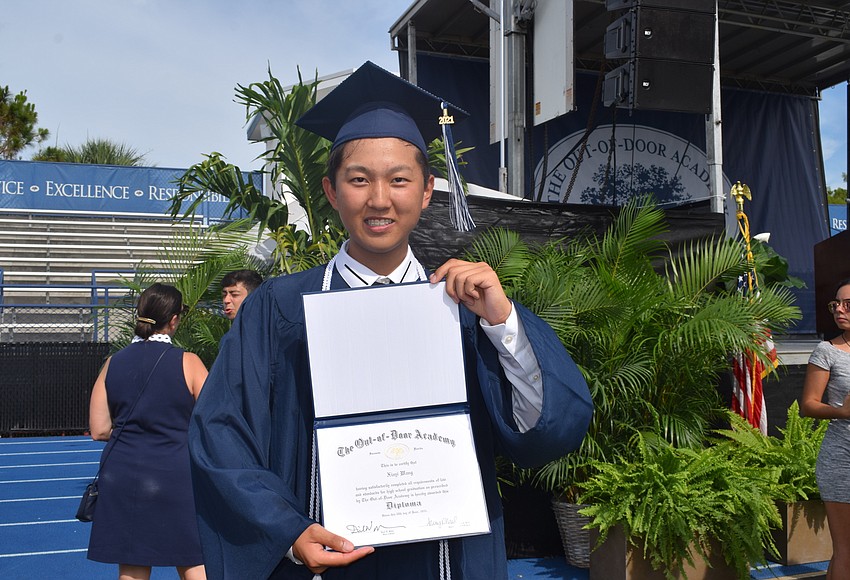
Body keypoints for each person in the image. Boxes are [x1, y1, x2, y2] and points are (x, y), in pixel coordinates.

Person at [188, 61, 593, 580]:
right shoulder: (279, 309)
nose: (380, 199)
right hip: (323, 561)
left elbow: (548, 430)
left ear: (426, 192)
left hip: (445, 561)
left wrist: (502, 321)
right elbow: (220, 432)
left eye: (399, 180)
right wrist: (286, 530)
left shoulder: (464, 308)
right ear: (332, 192)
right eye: (359, 180)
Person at [88, 283, 208, 580]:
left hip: (122, 474)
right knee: (192, 557)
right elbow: (212, 421)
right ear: (175, 319)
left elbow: (99, 429)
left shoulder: (112, 363)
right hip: (175, 473)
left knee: (132, 564)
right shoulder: (188, 362)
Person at [801, 277, 850, 580]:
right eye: (836, 304)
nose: (839, 310)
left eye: (848, 304)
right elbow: (808, 405)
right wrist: (842, 411)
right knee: (847, 548)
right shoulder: (827, 351)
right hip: (841, 460)